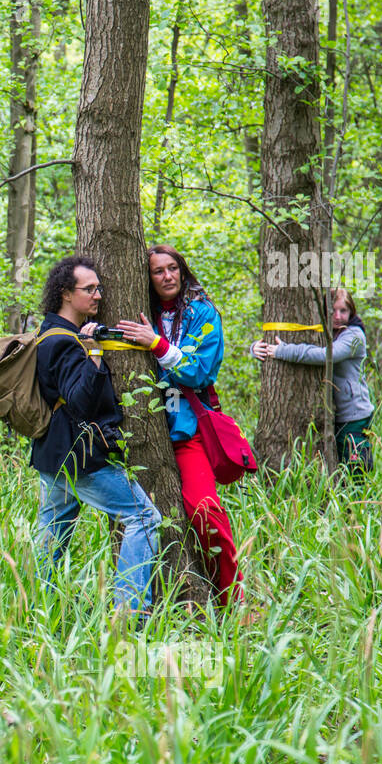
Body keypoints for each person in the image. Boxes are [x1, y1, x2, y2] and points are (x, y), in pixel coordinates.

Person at [32, 256, 162, 617]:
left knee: (53, 532)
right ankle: (129, 613)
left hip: (53, 454)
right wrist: (93, 353)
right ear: (65, 293)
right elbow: (79, 402)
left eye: (99, 288)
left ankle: (40, 611)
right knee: (144, 519)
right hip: (79, 457)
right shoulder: (61, 342)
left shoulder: (52, 331)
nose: (98, 295)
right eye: (89, 289)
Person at [116, 244, 243, 607]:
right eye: (158, 271)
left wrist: (156, 344)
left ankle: (233, 597)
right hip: (139, 432)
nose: (167, 276)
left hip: (187, 430)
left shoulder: (203, 313)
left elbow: (200, 370)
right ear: (148, 277)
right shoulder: (139, 310)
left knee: (204, 509)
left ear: (182, 271)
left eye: (173, 268)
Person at [251, 287, 375, 479]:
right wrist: (257, 348)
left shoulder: (354, 336)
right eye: (332, 310)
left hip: (354, 414)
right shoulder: (328, 332)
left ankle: (360, 505)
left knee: (355, 467)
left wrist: (283, 351)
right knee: (340, 465)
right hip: (337, 413)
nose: (337, 316)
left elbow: (326, 355)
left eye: (343, 311)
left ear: (352, 312)